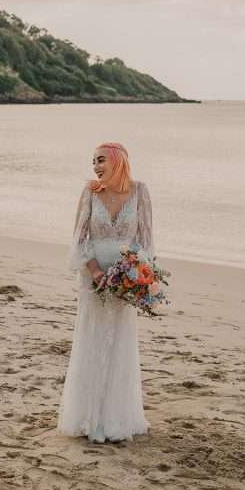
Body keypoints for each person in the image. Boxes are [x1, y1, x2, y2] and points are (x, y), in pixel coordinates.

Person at [57, 142, 153, 444]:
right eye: (93, 162)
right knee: (92, 339)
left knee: (119, 345)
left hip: (125, 280)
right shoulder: (90, 192)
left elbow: (146, 241)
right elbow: (78, 239)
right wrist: (96, 270)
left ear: (117, 161)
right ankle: (86, 417)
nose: (96, 167)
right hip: (93, 279)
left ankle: (116, 418)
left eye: (101, 160)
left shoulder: (140, 192)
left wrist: (138, 274)